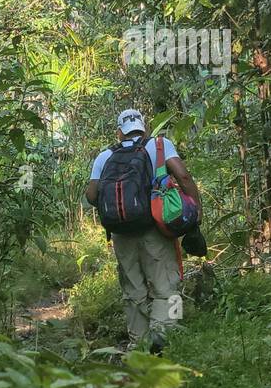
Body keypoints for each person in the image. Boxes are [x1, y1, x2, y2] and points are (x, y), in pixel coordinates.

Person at [85, 108, 201, 351]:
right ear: (144, 127)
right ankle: (163, 336)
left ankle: (137, 345)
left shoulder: (105, 156)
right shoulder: (159, 145)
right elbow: (184, 176)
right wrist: (195, 211)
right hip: (155, 230)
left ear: (119, 133)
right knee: (167, 287)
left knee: (133, 289)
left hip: (121, 234)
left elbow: (92, 195)